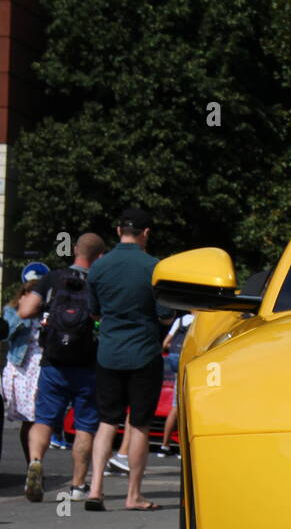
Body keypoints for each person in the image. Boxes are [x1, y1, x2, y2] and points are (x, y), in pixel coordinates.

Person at [85, 207, 173, 512]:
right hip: (144, 354)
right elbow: (165, 316)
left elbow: (94, 312)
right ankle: (133, 495)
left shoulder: (99, 267)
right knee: (139, 424)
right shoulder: (155, 267)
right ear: (146, 234)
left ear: (118, 231)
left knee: (106, 421)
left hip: (108, 354)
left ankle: (95, 488)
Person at [19, 233, 105, 503]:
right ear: (100, 256)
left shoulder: (53, 279)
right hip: (88, 365)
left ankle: (35, 461)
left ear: (76, 249)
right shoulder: (99, 282)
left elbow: (25, 311)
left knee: (43, 419)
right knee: (85, 426)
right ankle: (78, 486)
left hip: (54, 362)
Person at [1, 280, 44, 464]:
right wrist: (21, 314)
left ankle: (35, 462)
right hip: (22, 370)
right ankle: (32, 463)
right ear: (23, 295)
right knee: (29, 419)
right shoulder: (12, 312)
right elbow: (6, 334)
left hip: (42, 368)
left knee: (40, 420)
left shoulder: (46, 314)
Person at [158, 312, 193, 456]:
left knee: (177, 402)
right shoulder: (200, 321)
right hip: (186, 359)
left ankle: (165, 444)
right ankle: (176, 445)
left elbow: (165, 343)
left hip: (173, 359)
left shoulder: (179, 320)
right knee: (180, 405)